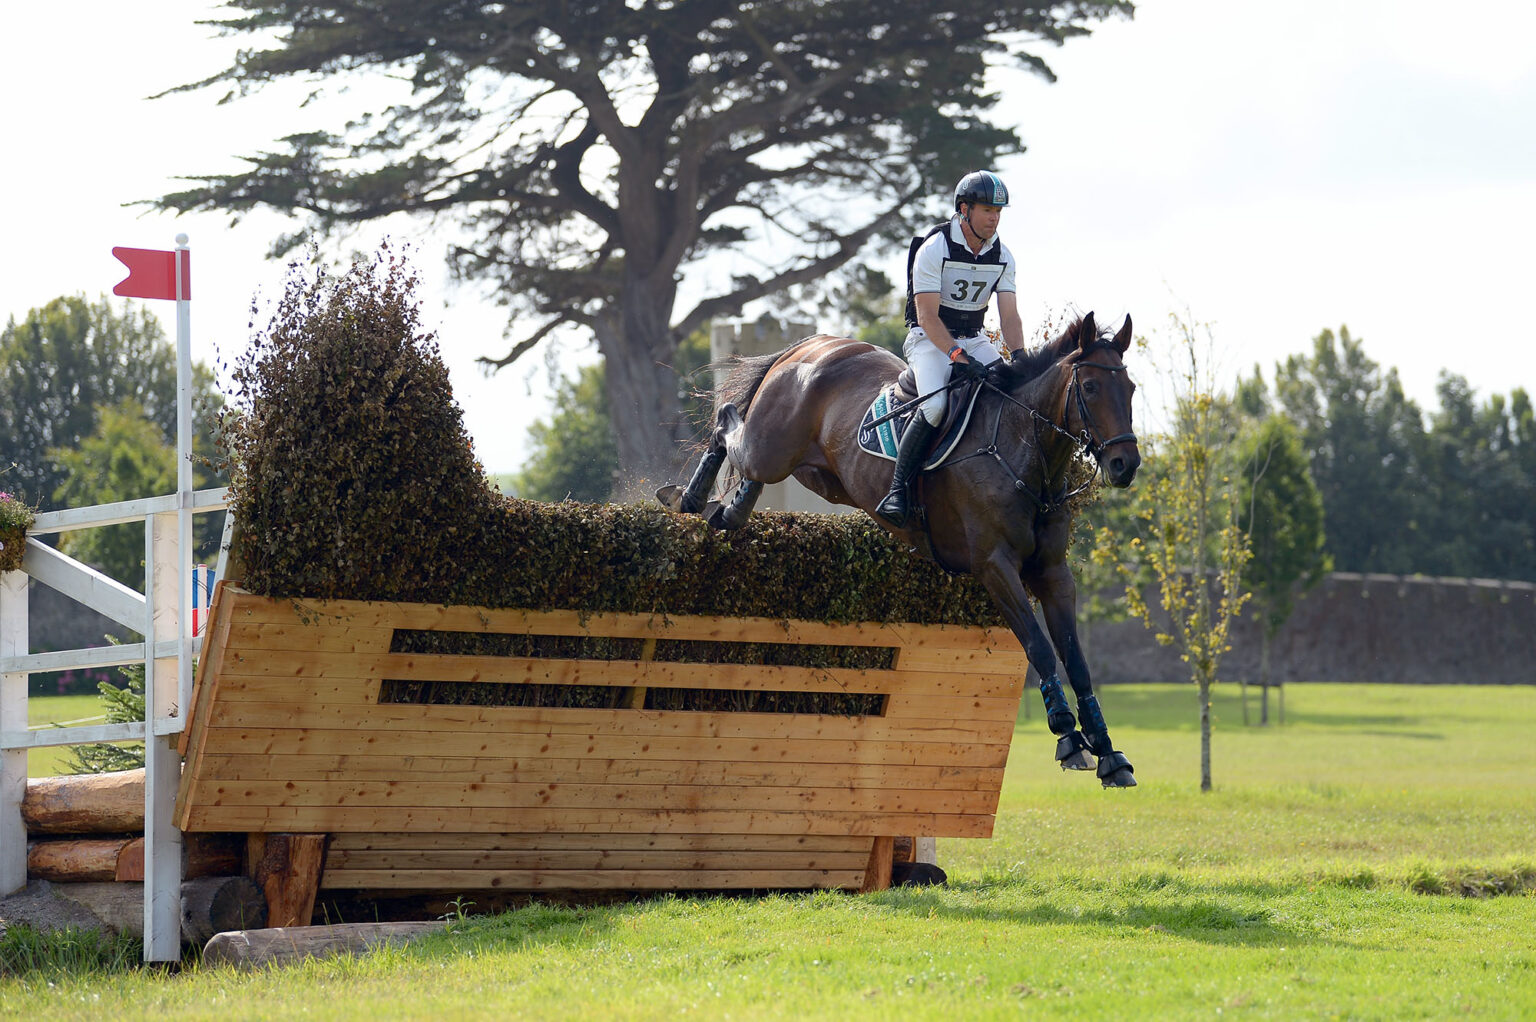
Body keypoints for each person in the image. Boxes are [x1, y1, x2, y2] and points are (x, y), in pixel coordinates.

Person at [875, 170, 1027, 528]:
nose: (994, 218)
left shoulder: (1003, 256)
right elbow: (927, 317)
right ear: (964, 209)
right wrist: (956, 357)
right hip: (929, 340)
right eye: (988, 210)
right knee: (935, 406)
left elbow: (1009, 317)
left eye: (999, 212)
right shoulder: (934, 248)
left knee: (1015, 396)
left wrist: (1020, 359)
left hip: (974, 337)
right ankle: (899, 490)